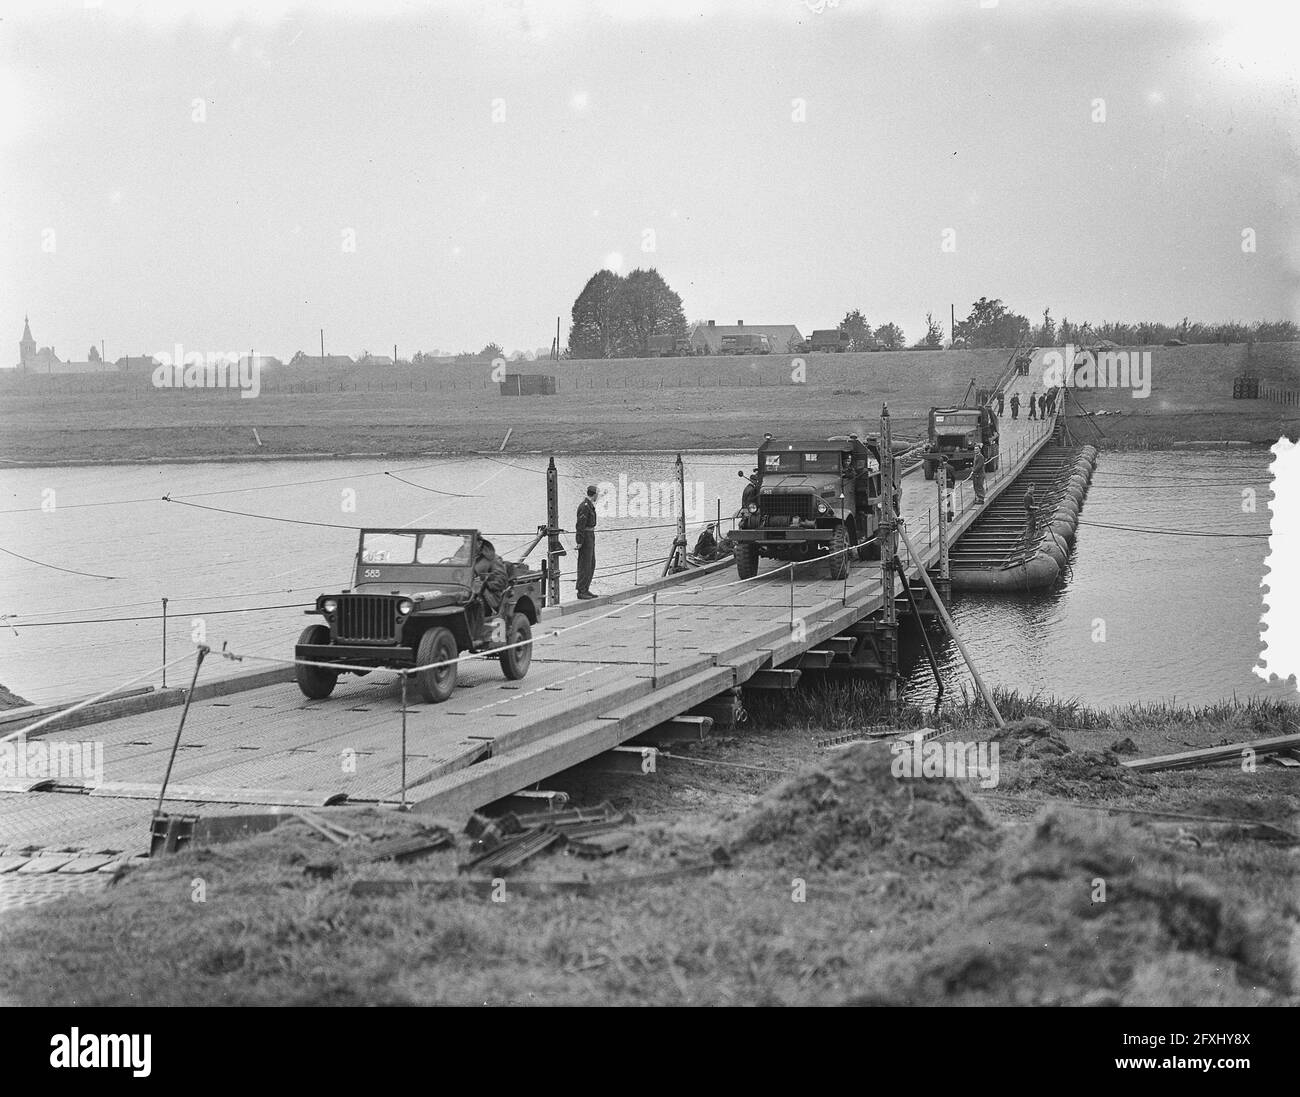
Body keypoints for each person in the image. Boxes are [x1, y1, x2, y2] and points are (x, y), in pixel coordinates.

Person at [472, 538, 510, 616]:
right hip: (469, 592)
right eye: (465, 542)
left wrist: (484, 582)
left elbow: (502, 581)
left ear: (479, 543)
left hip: (489, 596)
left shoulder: (493, 559)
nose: (467, 545)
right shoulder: (465, 559)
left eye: (470, 542)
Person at [575, 485, 598, 600]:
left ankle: (586, 588)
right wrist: (579, 540)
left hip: (590, 536)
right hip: (586, 536)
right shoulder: (585, 506)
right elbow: (580, 525)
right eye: (597, 494)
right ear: (594, 494)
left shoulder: (589, 505)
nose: (597, 496)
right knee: (585, 563)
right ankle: (581, 590)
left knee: (591, 563)